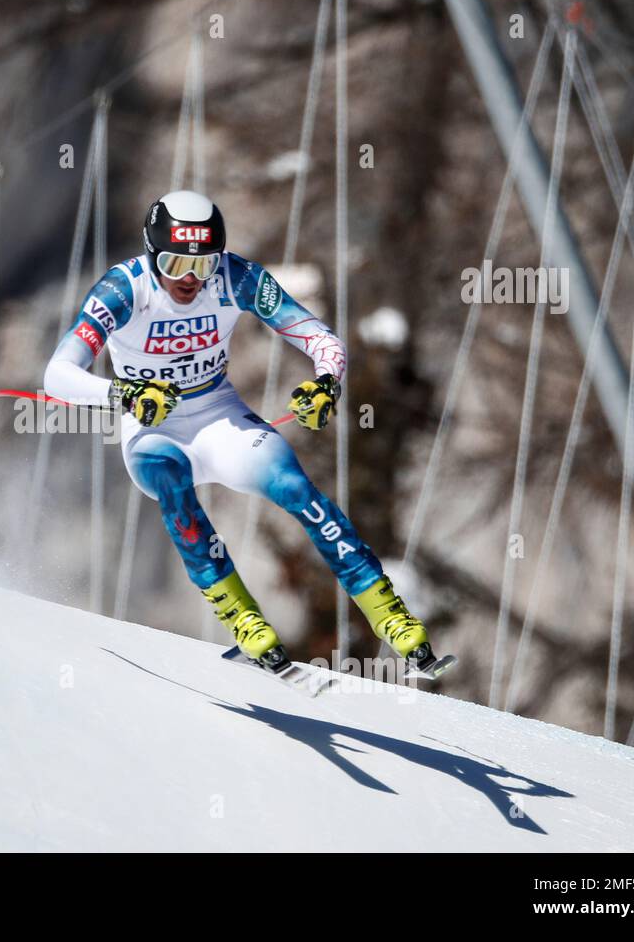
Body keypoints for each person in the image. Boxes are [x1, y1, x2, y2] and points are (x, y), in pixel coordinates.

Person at [44, 190, 438, 674]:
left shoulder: (238, 277)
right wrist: (123, 393)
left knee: (295, 487)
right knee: (173, 489)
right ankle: (242, 616)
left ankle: (387, 611)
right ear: (151, 255)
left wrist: (326, 383)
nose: (189, 280)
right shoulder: (122, 290)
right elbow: (58, 374)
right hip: (154, 427)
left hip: (217, 414)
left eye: (203, 265)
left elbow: (319, 337)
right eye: (173, 263)